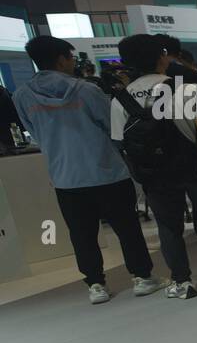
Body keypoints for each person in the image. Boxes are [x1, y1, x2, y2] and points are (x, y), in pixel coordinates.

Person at [11, 36, 162, 303]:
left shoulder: (22, 95)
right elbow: (113, 126)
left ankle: (95, 284)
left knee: (82, 234)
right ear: (61, 59)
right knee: (127, 228)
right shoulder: (86, 90)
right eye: (70, 58)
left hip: (65, 177)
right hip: (107, 172)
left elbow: (34, 132)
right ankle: (141, 277)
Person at [111, 34, 197, 299]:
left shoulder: (120, 100)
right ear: (163, 57)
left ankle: (182, 281)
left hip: (155, 174)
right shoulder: (190, 89)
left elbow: (120, 143)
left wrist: (141, 175)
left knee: (169, 227)